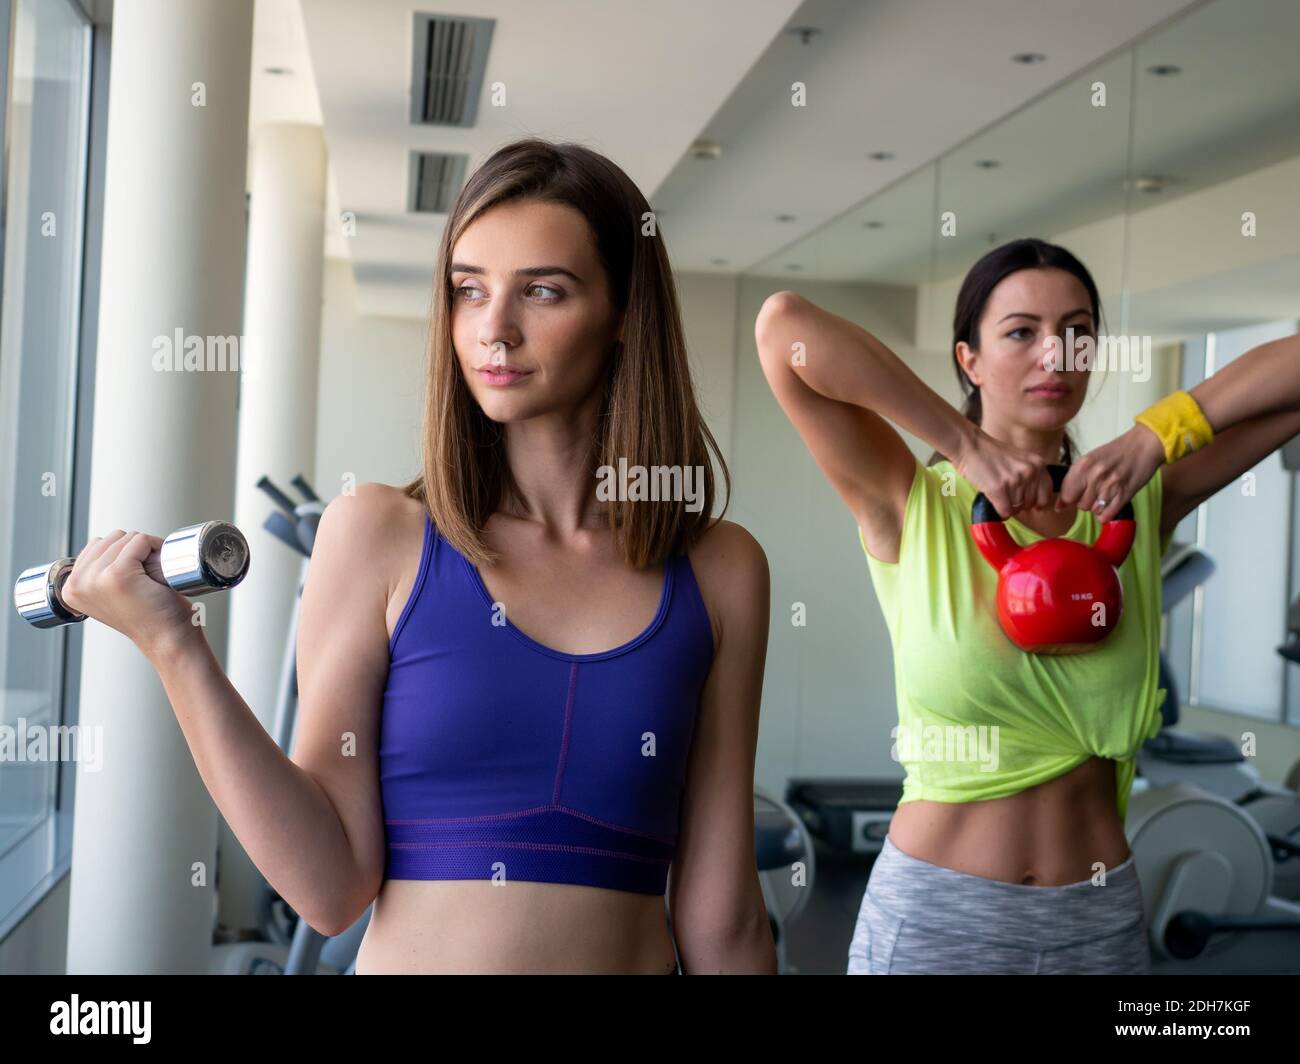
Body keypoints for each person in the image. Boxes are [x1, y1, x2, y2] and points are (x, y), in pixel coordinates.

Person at [62, 137, 776, 975]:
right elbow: (329, 889)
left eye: (542, 291)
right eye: (467, 290)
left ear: (625, 314)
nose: (494, 329)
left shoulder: (721, 569)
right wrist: (173, 644)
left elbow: (721, 916)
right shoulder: (379, 534)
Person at [756, 236, 1300, 974]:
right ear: (969, 360)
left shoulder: (1135, 505)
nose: (1057, 355)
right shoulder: (911, 501)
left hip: (1098, 920)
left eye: (1078, 334)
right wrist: (966, 447)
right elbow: (784, 326)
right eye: (1022, 332)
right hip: (939, 922)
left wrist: (1156, 434)